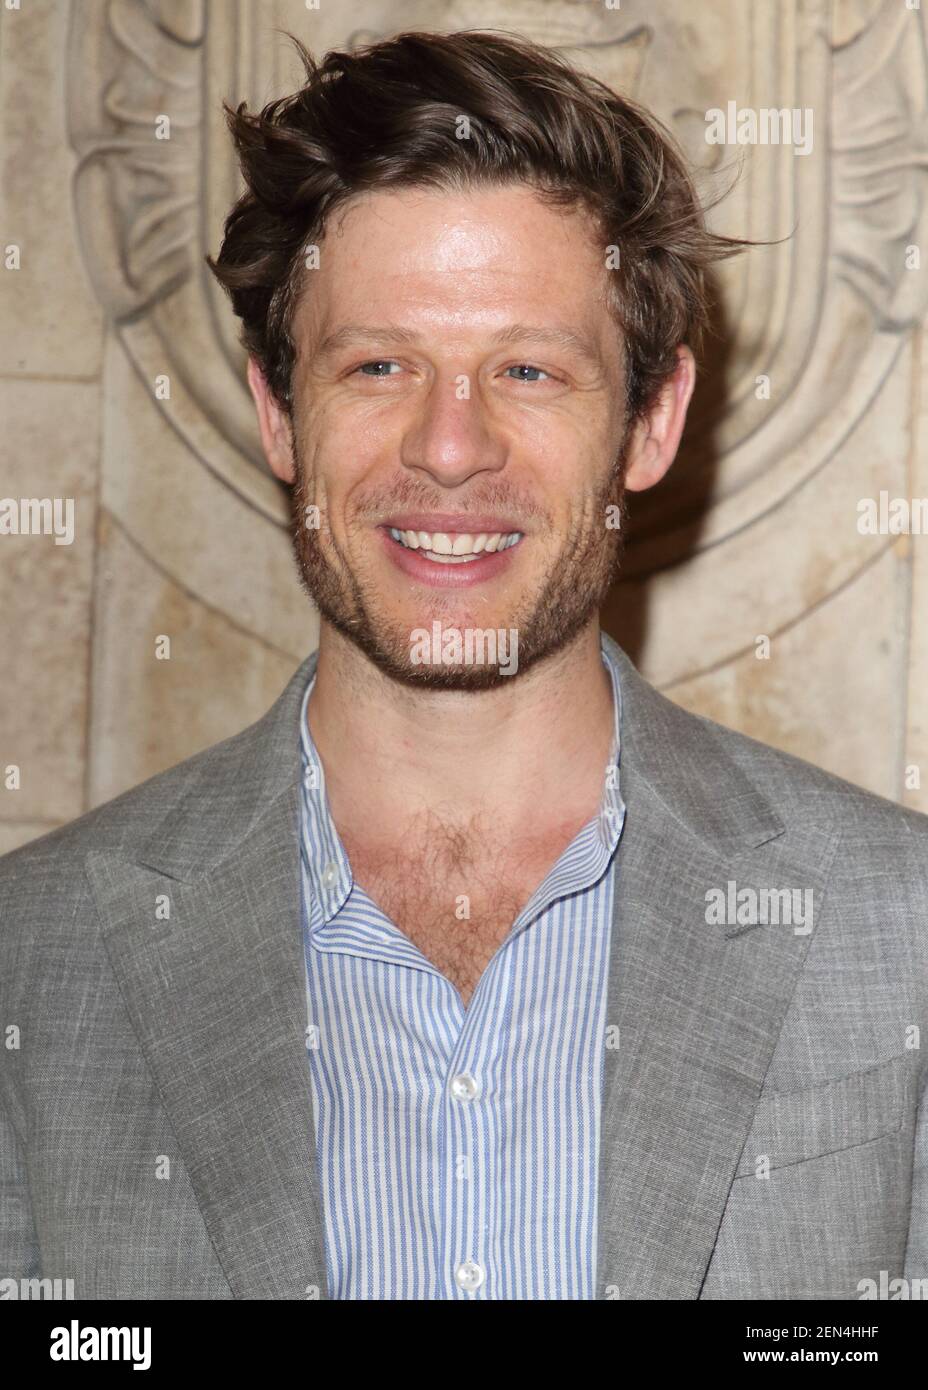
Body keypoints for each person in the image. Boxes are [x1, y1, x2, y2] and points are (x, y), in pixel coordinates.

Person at [1, 28, 925, 1302]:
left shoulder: (901, 930)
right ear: (281, 413)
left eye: (528, 370)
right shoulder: (31, 960)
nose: (449, 447)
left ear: (650, 421)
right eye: (379, 365)